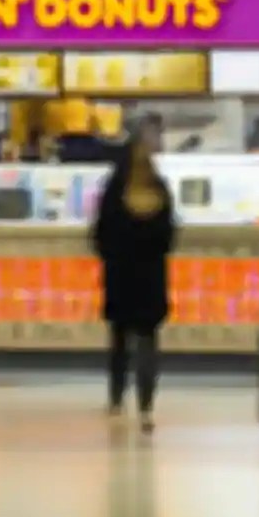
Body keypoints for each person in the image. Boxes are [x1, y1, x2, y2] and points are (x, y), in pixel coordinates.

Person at [92, 115, 175, 433]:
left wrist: (112, 257)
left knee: (119, 338)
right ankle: (146, 406)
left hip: (120, 275)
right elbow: (169, 237)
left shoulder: (114, 187)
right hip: (150, 277)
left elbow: (100, 233)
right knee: (148, 341)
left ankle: (116, 399)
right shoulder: (160, 189)